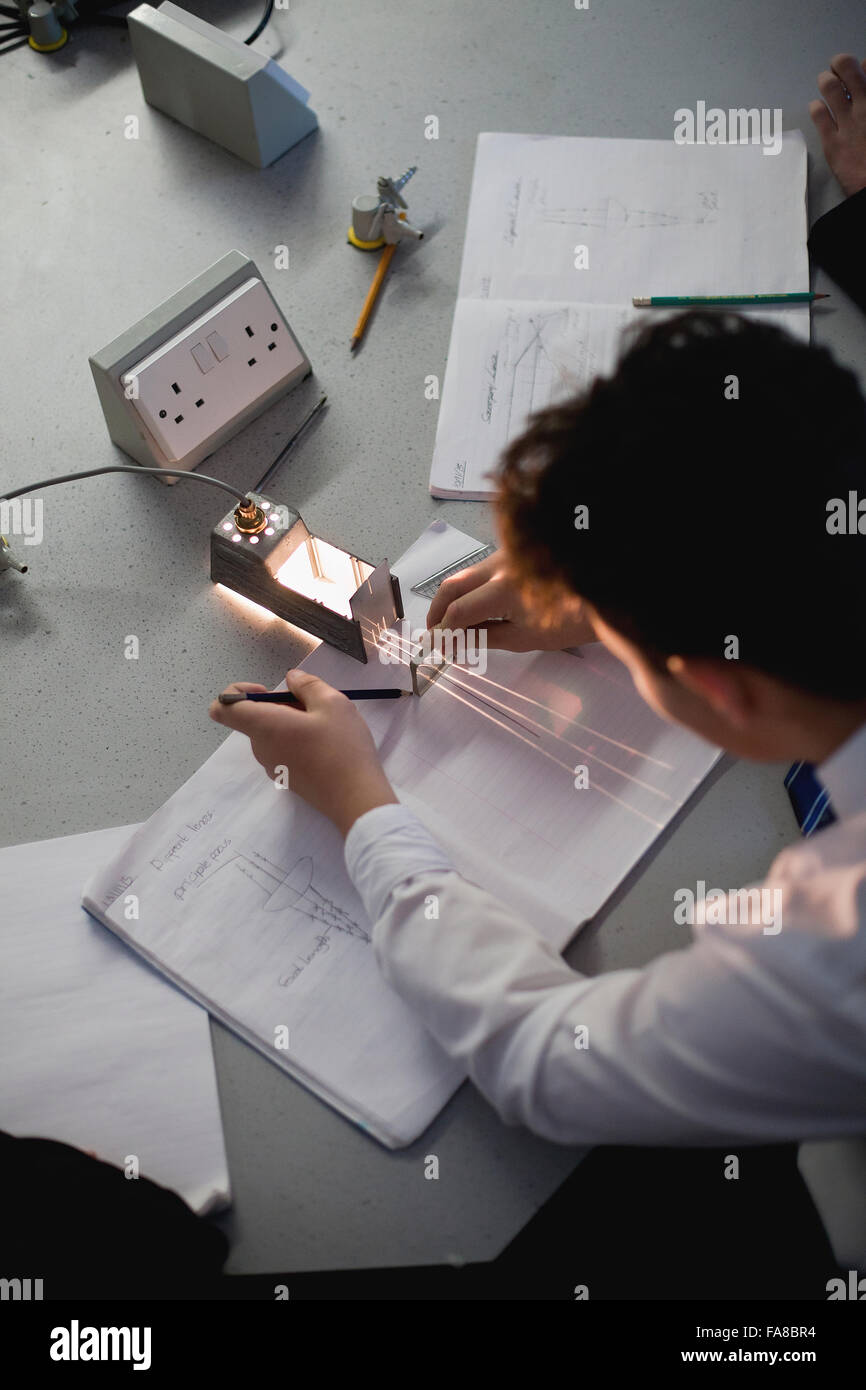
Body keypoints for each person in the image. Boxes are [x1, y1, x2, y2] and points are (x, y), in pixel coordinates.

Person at [211, 53, 866, 1296]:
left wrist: (366, 814)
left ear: (716, 691)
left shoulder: (826, 946)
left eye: (618, 637)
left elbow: (546, 1062)